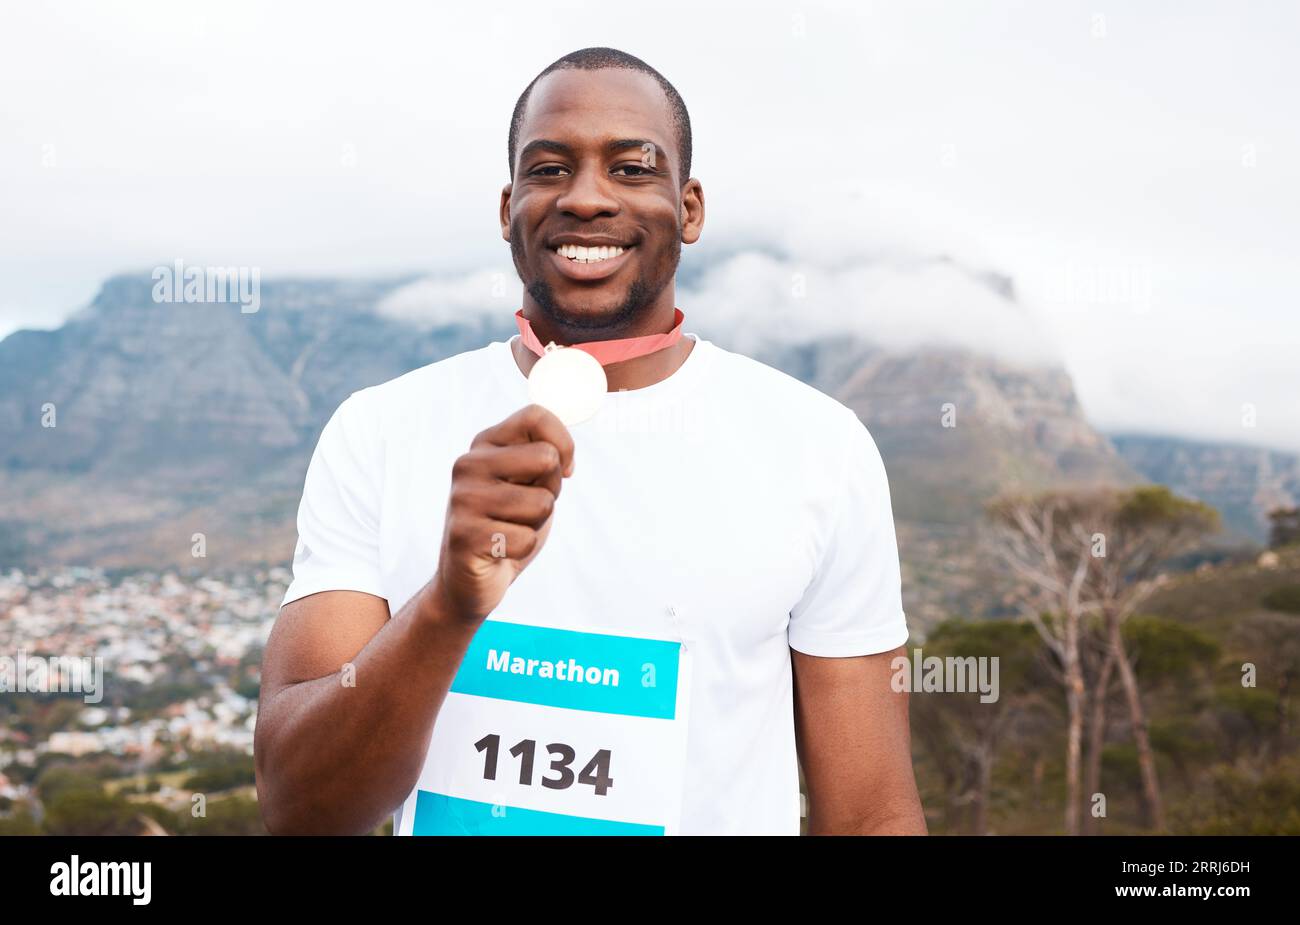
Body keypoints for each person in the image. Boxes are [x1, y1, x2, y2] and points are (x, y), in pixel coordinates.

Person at [254, 46, 926, 836]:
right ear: (508, 207)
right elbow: (301, 807)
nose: (586, 199)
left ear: (692, 207)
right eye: (549, 169)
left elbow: (871, 814)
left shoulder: (820, 448)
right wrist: (446, 607)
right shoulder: (377, 430)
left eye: (633, 168)